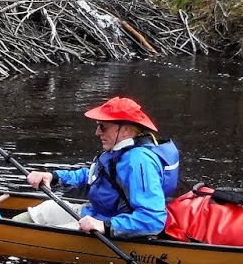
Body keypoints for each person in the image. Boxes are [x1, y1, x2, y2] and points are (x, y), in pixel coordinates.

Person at [15, 96, 174, 237]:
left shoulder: (139, 161)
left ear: (125, 130)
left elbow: (152, 220)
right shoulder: (119, 150)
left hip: (113, 226)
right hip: (96, 214)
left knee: (30, 234)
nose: (97, 132)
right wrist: (54, 177)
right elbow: (93, 176)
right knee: (31, 216)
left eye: (103, 126)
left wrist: (104, 226)